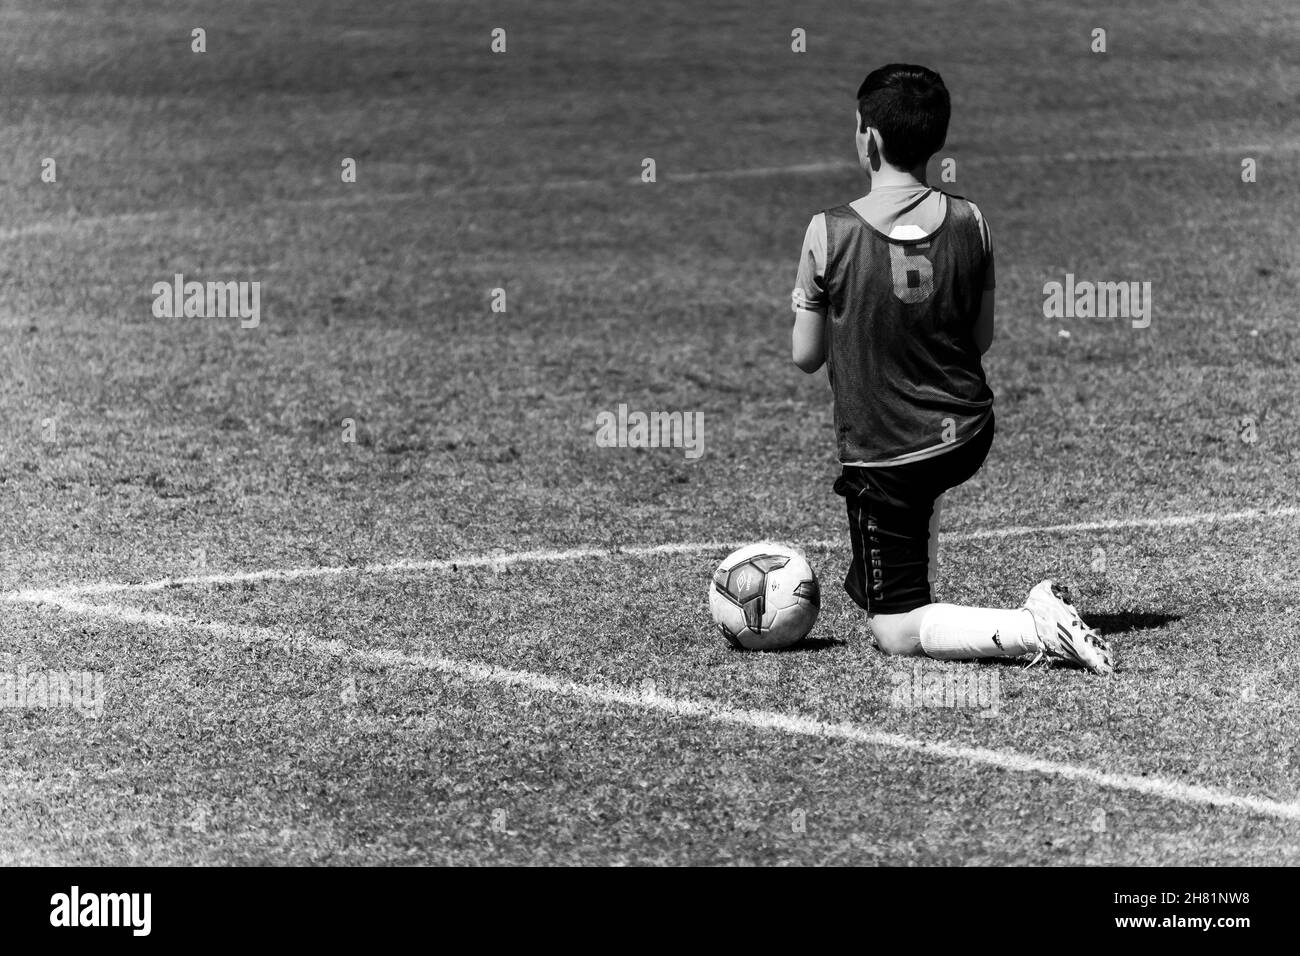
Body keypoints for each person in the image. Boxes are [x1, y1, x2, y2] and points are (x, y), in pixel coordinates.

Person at [790, 64, 1113, 674]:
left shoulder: (826, 232)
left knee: (896, 632)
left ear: (869, 139)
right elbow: (980, 338)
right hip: (966, 435)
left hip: (887, 460)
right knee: (909, 508)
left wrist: (817, 302)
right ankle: (904, 568)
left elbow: (806, 357)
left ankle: (1032, 626)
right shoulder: (973, 221)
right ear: (934, 139)